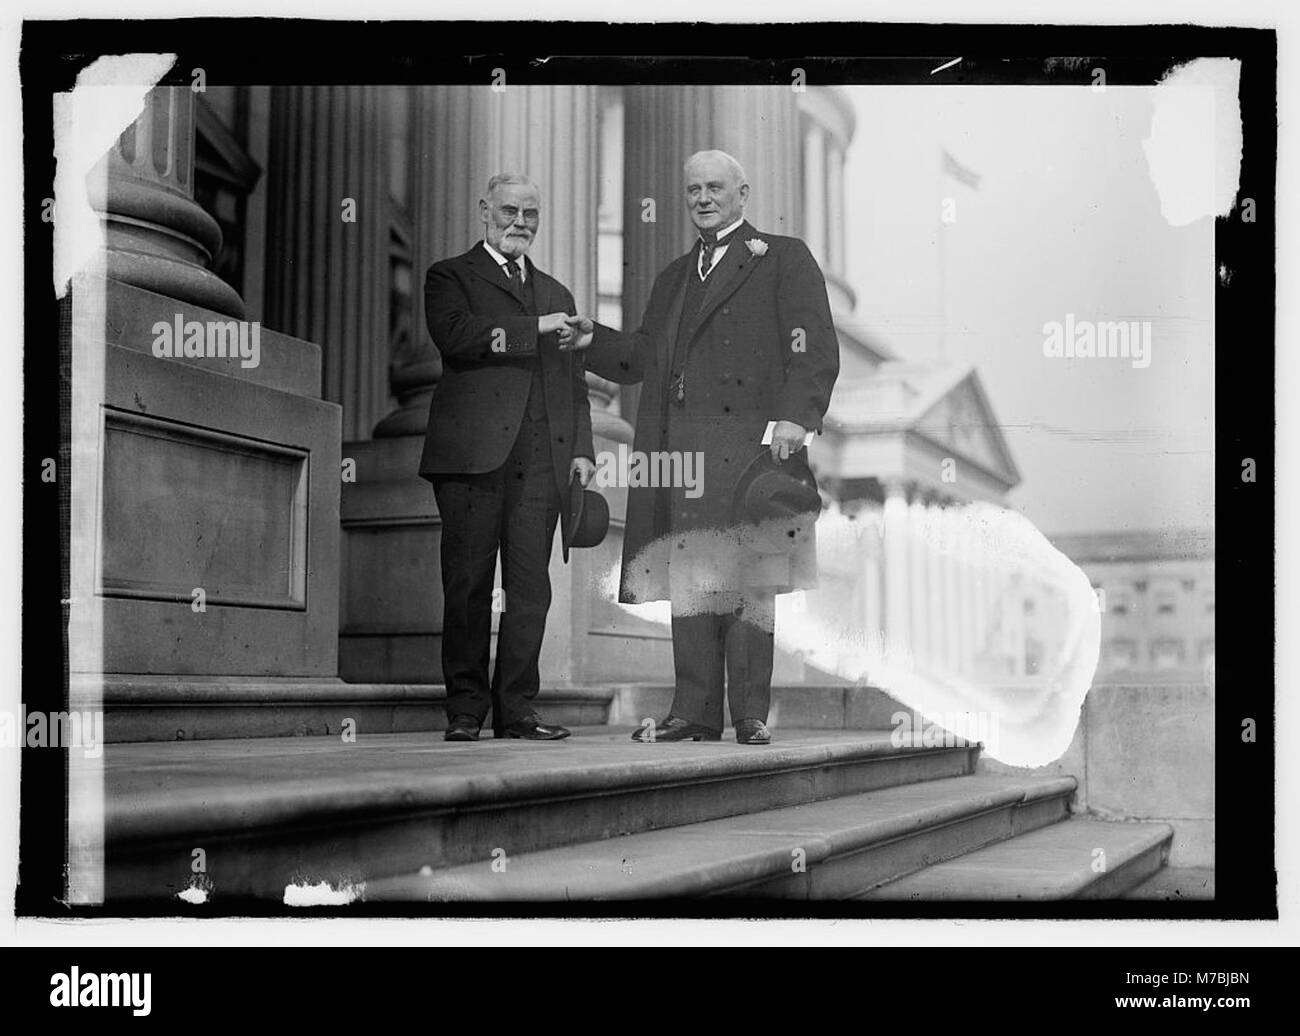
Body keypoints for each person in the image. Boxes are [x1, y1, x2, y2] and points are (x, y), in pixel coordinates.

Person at [574, 149, 840, 745]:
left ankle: (748, 713)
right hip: (684, 452)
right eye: (693, 189)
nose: (703, 198)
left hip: (755, 447)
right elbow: (643, 356)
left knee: (751, 578)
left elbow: (813, 347)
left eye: (715, 187)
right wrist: (592, 338)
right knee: (692, 575)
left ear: (743, 193)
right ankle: (693, 711)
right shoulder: (672, 277)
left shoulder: (784, 258)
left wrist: (797, 418)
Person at [418, 173, 595, 742]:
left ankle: (517, 710)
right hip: (471, 460)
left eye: (531, 214)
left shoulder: (557, 293)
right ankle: (466, 711)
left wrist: (584, 452)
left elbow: (574, 384)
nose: (520, 222)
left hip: (540, 464)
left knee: (530, 589)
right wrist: (533, 329)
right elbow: (457, 337)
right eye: (510, 211)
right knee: (467, 585)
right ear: (484, 212)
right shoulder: (450, 276)